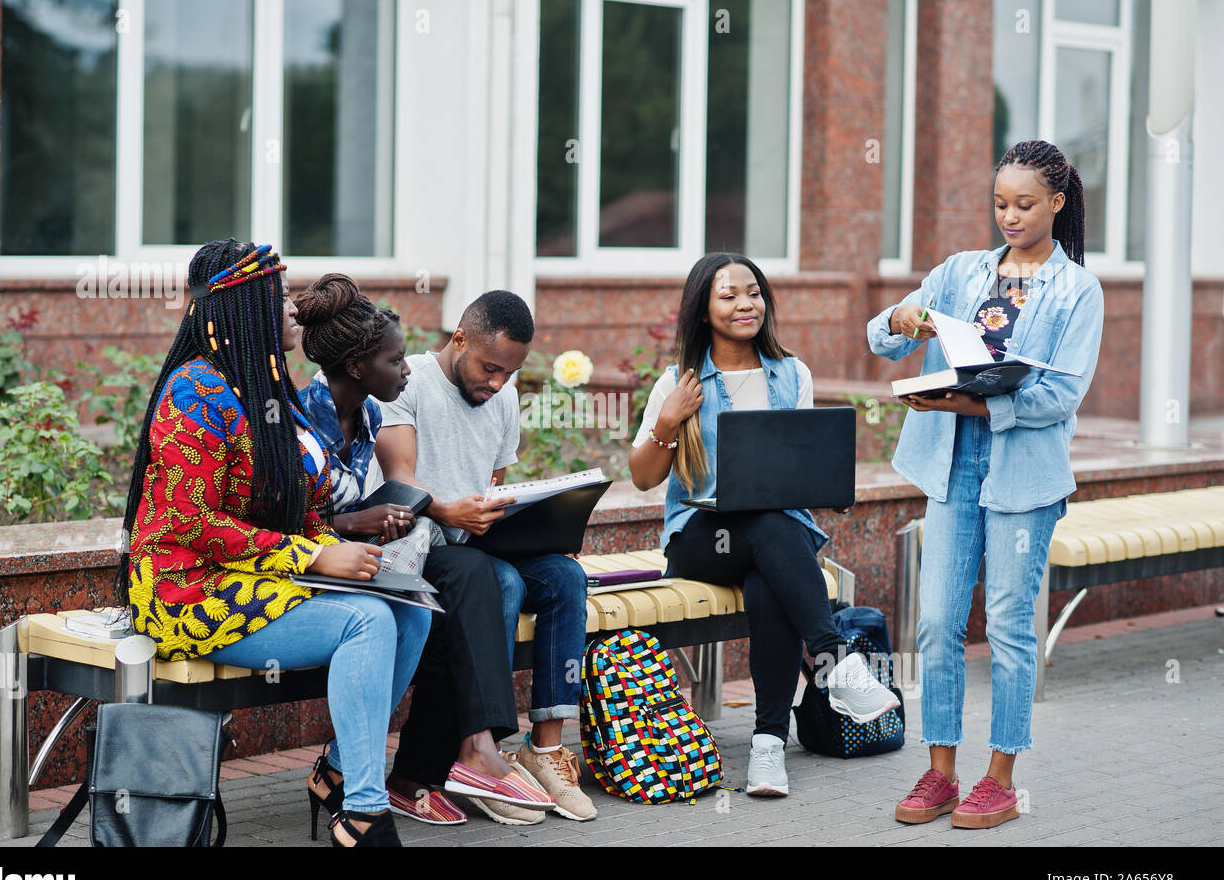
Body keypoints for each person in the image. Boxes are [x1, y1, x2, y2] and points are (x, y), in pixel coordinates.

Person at [121, 239, 431, 848]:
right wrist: (315, 555)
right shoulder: (196, 394)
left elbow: (299, 509)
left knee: (410, 610)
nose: (294, 309)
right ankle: (364, 813)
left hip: (257, 576)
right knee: (366, 621)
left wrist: (338, 545)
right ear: (245, 308)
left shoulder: (269, 389)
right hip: (187, 589)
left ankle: (341, 769)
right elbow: (192, 524)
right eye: (280, 296)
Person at [867, 140, 1103, 829]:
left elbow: (1060, 396)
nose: (1009, 215)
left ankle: (999, 778)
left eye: (1025, 204)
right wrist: (900, 321)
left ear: (1057, 204)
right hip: (951, 465)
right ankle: (941, 771)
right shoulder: (961, 271)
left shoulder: (1078, 289)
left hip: (1023, 476)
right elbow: (881, 337)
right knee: (938, 621)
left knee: (1007, 625)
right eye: (1000, 202)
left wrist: (974, 402)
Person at [628, 252, 898, 797]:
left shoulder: (791, 373)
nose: (745, 303)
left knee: (768, 577)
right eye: (727, 295)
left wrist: (825, 485)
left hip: (771, 541)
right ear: (703, 311)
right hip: (702, 538)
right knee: (767, 525)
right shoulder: (677, 382)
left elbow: (795, 468)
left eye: (752, 292)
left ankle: (768, 748)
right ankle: (835, 665)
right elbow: (641, 478)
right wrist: (667, 420)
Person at [294, 273, 540, 826]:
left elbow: (484, 485)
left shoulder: (370, 414)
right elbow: (293, 522)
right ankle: (449, 762)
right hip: (313, 567)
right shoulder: (303, 418)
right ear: (360, 367)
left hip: (376, 556)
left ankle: (388, 767)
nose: (408, 370)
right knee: (465, 587)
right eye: (397, 361)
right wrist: (366, 519)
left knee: (516, 583)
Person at [375, 289, 597, 825]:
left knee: (565, 575)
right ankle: (474, 755)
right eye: (490, 368)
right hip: (419, 542)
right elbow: (397, 480)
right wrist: (450, 512)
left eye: (511, 373)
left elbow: (495, 486)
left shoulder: (502, 395)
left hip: (476, 541)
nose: (498, 384)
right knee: (500, 583)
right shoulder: (408, 383)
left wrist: (541, 526)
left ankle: (544, 752)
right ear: (459, 339)